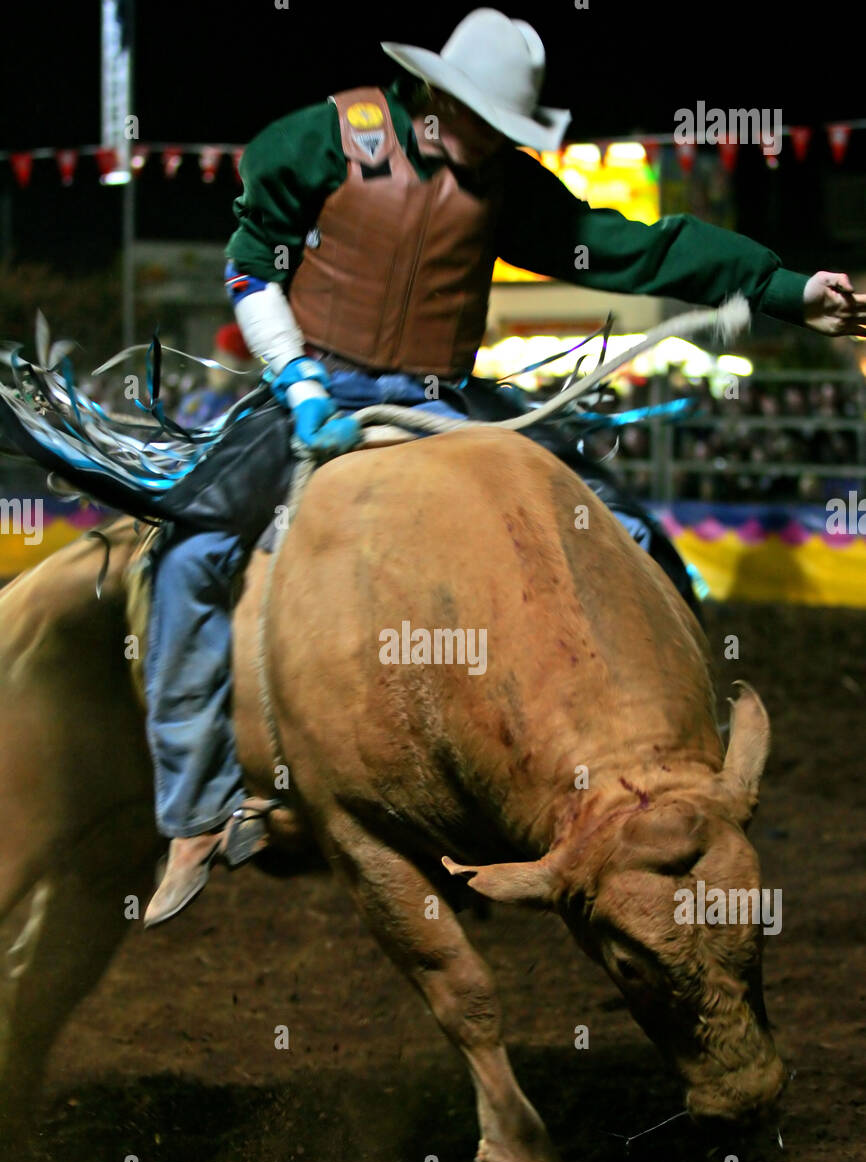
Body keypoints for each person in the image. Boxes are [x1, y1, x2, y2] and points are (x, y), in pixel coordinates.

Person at [143, 7, 866, 925]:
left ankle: (682, 751)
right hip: (308, 385)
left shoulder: (506, 189)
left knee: (628, 529)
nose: (493, 143)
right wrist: (298, 384)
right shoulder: (323, 142)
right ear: (437, 96)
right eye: (484, 120)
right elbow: (252, 268)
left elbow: (636, 250)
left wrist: (789, 289)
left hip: (440, 398)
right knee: (192, 549)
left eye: (505, 128)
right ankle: (196, 811)